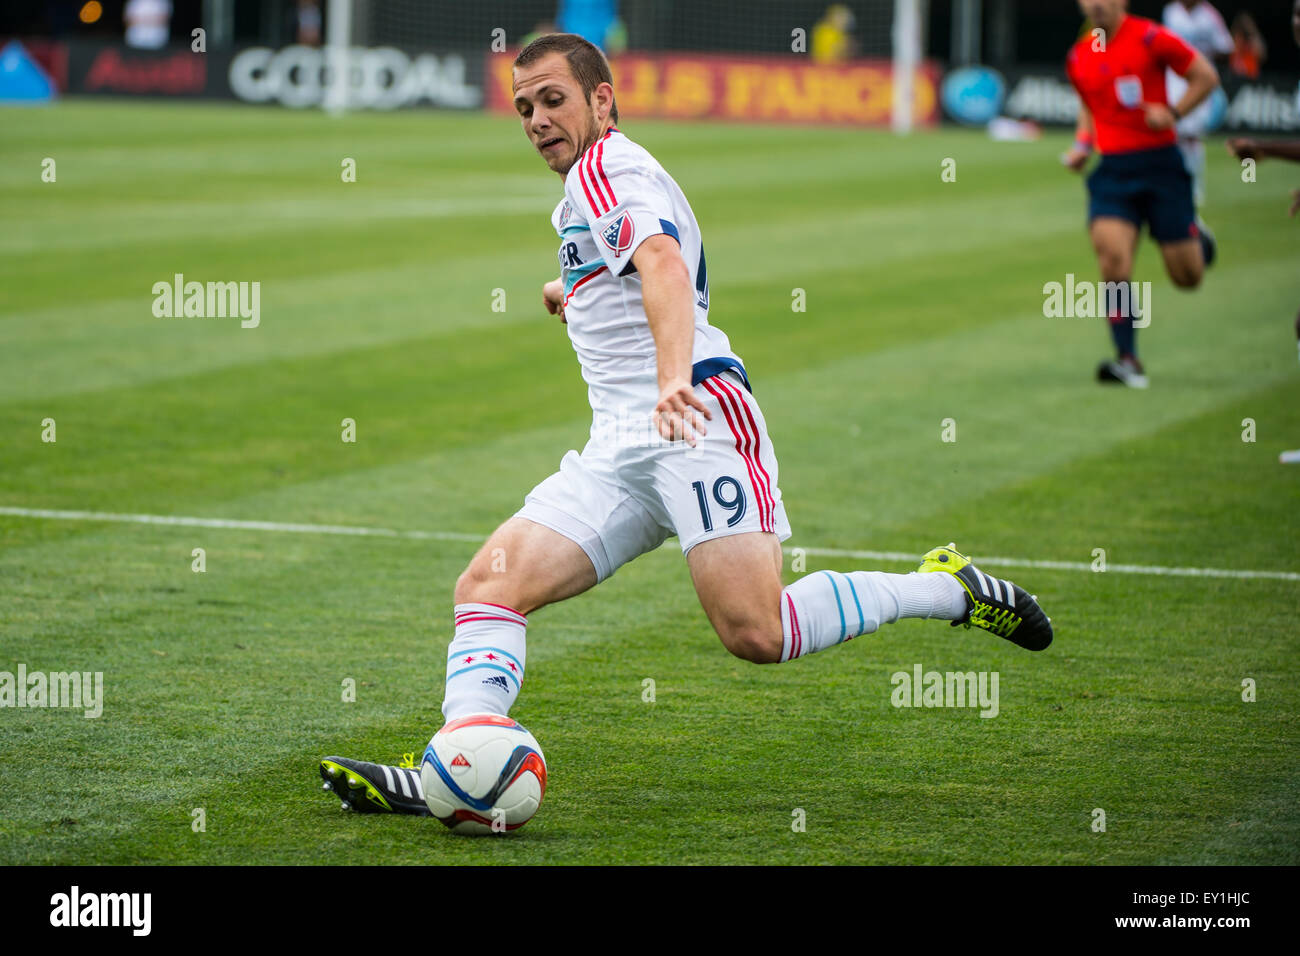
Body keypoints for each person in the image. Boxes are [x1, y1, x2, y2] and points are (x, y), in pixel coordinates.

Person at [317, 34, 1054, 817]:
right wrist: (570, 288)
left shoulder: (606, 166)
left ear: (603, 99)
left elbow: (663, 263)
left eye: (553, 99)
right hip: (621, 446)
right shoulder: (592, 185)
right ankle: (458, 763)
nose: (535, 118)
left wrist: (672, 380)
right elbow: (628, 264)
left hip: (694, 423)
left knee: (757, 631)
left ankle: (945, 589)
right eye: (524, 106)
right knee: (489, 590)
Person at [1062, 0, 1220, 389]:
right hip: (1113, 172)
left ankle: (1198, 238)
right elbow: (1088, 102)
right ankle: (1127, 360)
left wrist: (1174, 113)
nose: (1096, 4)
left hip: (1162, 167)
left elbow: (1205, 76)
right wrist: (1084, 142)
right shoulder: (1081, 54)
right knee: (1113, 261)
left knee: (1187, 277)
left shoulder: (1151, 38)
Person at [1162, 1, 1234, 206]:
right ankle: (1173, 183)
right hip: (1173, 81)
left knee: (1192, 136)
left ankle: (1194, 187)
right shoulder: (1171, 11)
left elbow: (1226, 49)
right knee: (1173, 134)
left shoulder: (1210, 16)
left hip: (1198, 80)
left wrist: (1201, 54)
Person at [1228, 11, 1266, 79]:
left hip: (1251, 79)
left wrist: (1251, 31)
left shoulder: (1252, 40)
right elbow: (1229, 50)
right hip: (1234, 78)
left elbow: (1262, 55)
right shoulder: (1234, 39)